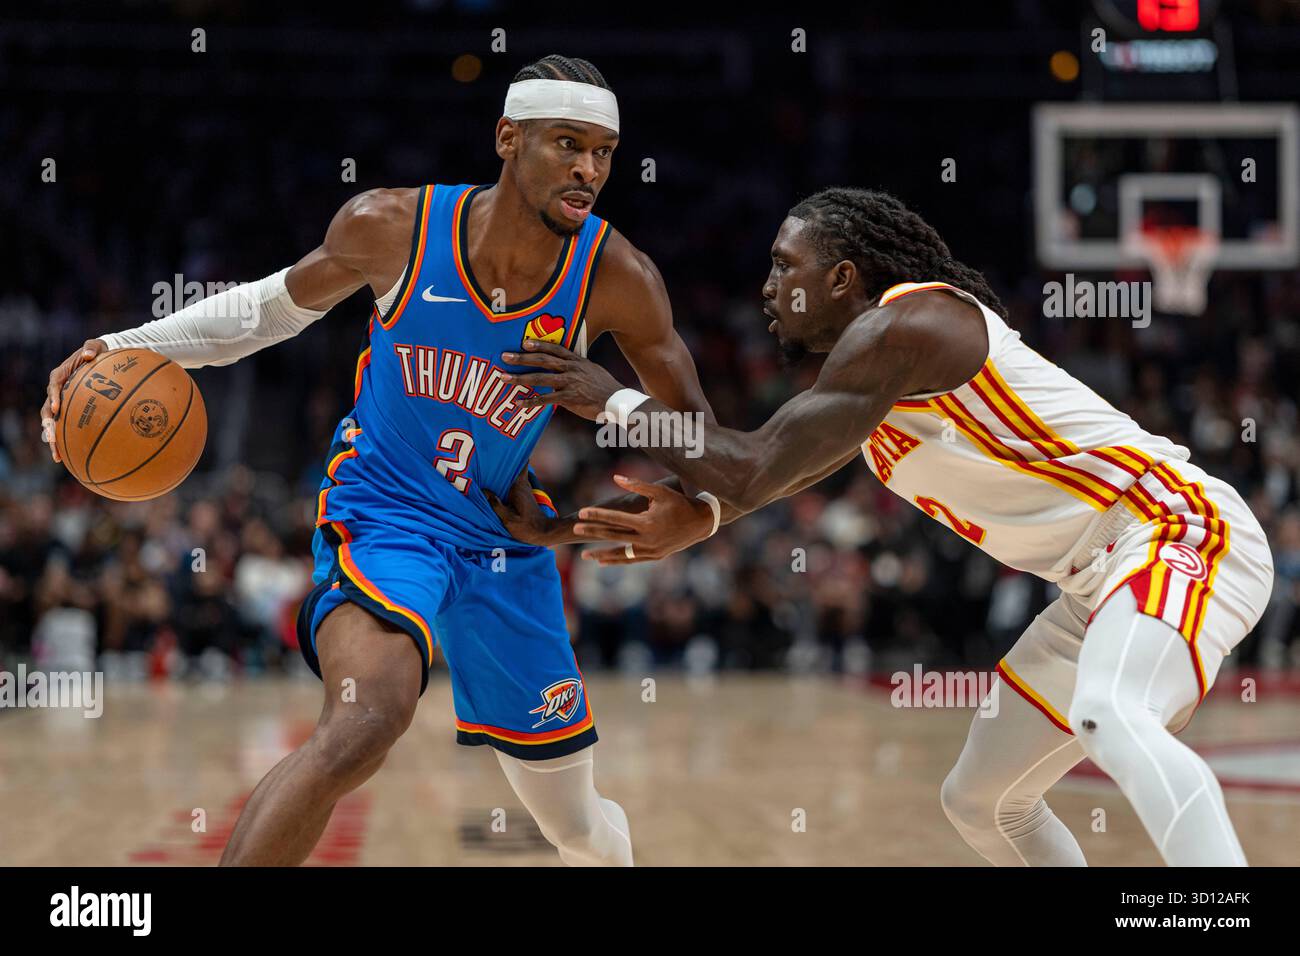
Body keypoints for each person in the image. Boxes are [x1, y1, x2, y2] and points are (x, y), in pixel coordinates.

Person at [39, 54, 722, 867]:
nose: (588, 169)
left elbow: (699, 435)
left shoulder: (618, 277)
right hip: (386, 513)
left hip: (507, 536)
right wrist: (122, 344)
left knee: (574, 825)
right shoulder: (396, 226)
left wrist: (698, 506)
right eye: (567, 143)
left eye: (604, 152)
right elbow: (263, 312)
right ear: (507, 137)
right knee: (368, 718)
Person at [494, 186, 1275, 866]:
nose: (767, 287)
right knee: (981, 800)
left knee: (1111, 714)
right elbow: (752, 481)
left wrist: (614, 401)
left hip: (1175, 528)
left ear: (842, 277)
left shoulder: (909, 324)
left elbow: (752, 466)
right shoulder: (868, 388)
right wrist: (581, 528)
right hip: (1092, 585)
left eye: (783, 265)